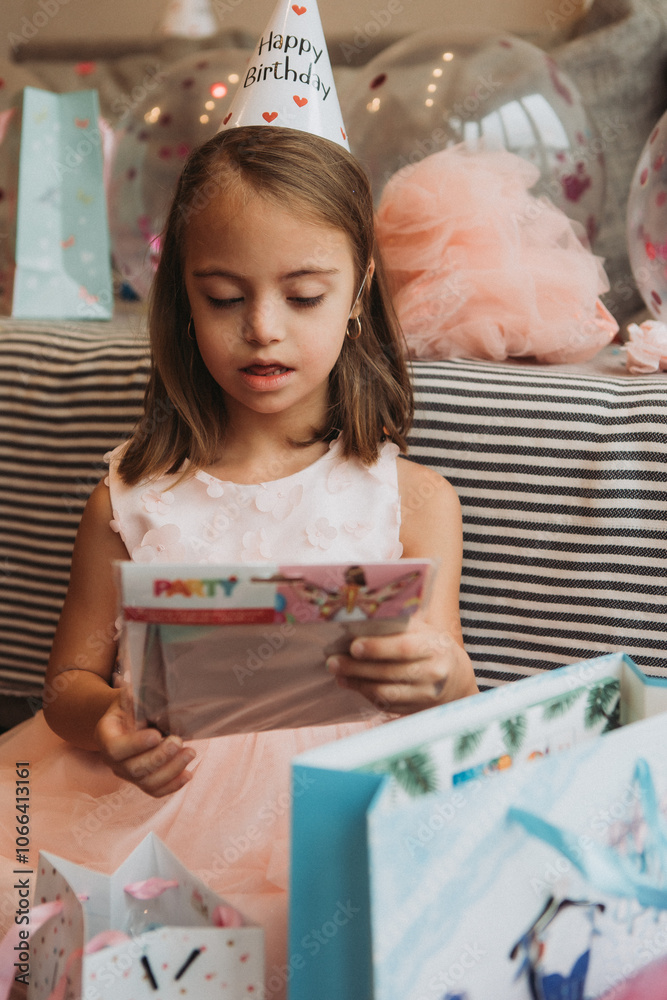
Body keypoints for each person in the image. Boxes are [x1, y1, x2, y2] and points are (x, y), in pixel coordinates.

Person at [0, 124, 477, 997]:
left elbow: (455, 689)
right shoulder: (131, 496)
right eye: (223, 297)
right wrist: (106, 720)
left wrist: (433, 673)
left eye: (302, 295)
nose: (262, 330)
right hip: (148, 804)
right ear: (182, 298)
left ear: (358, 291)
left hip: (335, 809)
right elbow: (66, 681)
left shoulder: (413, 500)